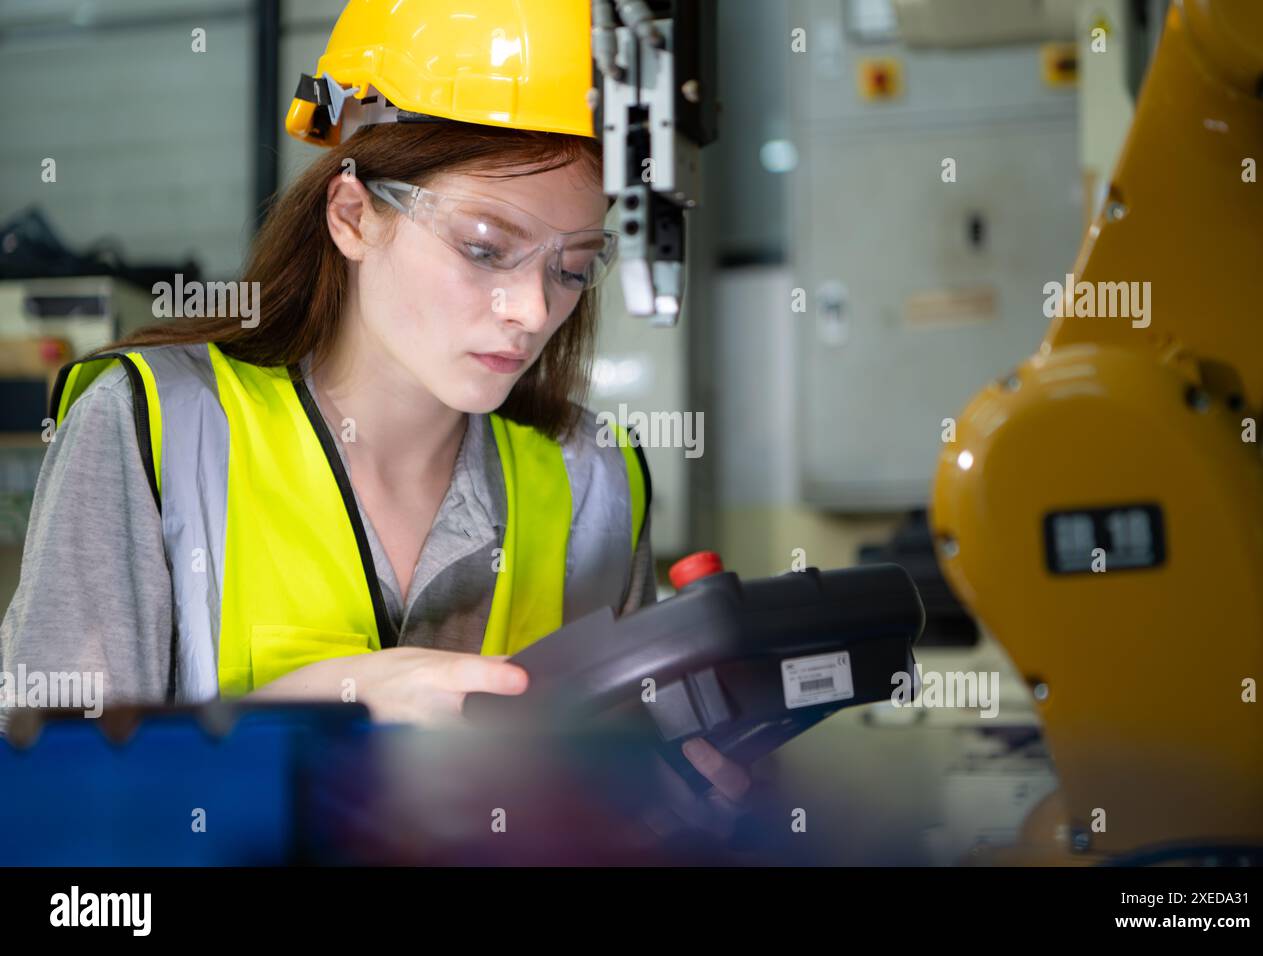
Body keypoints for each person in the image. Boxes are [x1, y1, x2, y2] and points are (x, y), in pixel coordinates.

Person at [0, 0, 752, 825]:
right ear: (353, 214)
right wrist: (322, 708)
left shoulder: (593, 481)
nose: (533, 309)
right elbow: (49, 817)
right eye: (484, 247)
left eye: (573, 268)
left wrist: (661, 797)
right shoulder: (154, 429)